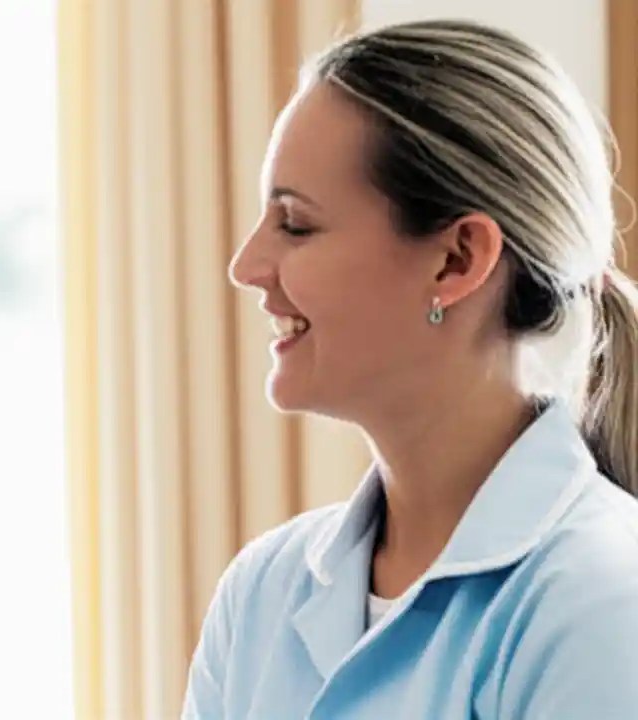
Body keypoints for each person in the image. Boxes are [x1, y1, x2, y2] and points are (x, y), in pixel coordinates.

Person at [183, 19, 638, 720]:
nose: (247, 267)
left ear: (457, 259)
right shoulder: (260, 596)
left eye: (296, 224)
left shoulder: (603, 599)